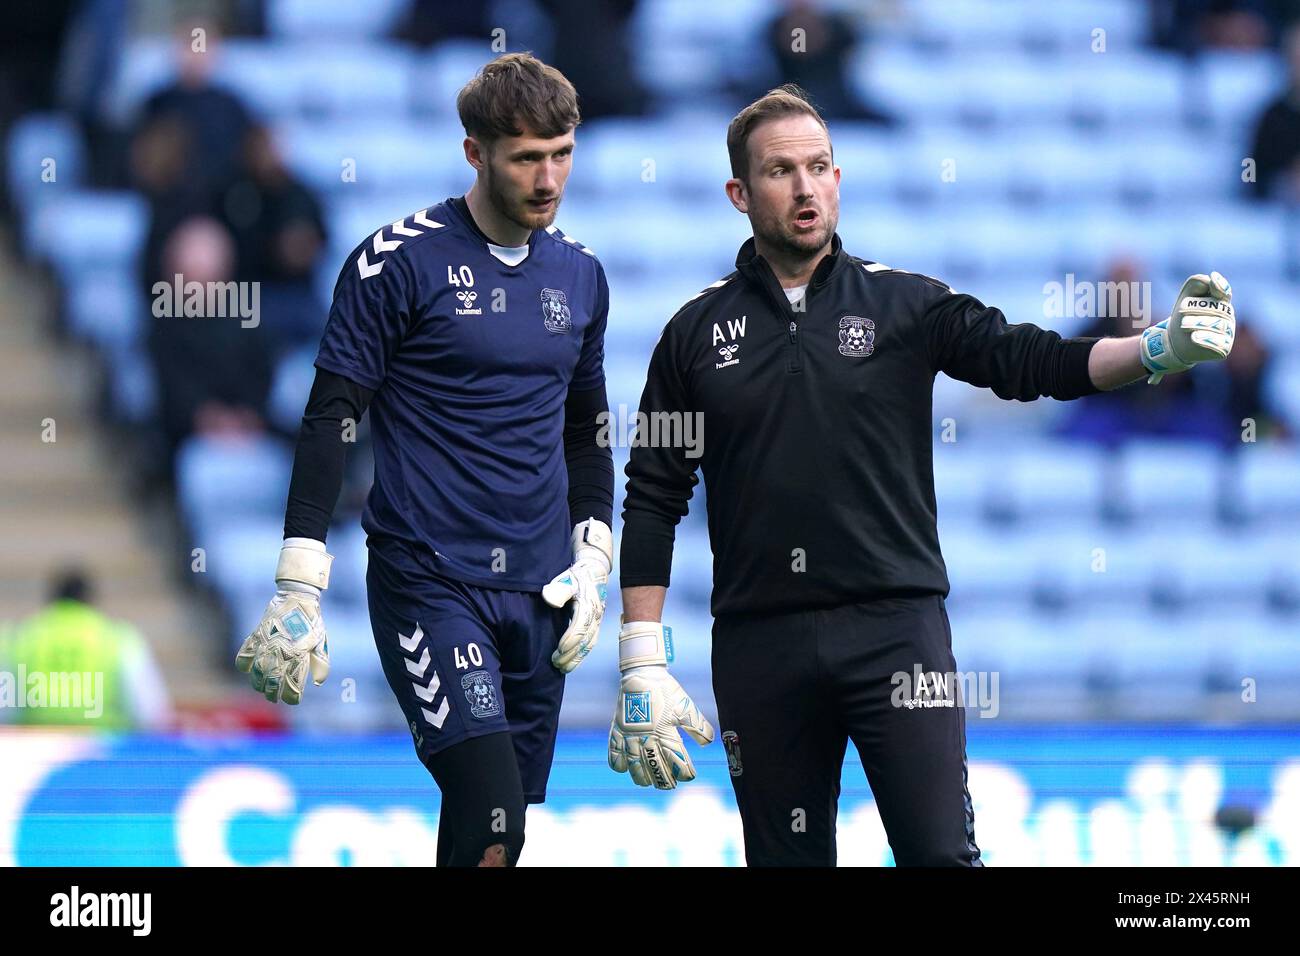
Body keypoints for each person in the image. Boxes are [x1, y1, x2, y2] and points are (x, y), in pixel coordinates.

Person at [610, 85, 1236, 867]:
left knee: (940, 859)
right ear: (740, 193)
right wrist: (640, 652)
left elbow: (1029, 359)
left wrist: (1156, 350)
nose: (804, 187)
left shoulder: (906, 304)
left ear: (838, 179)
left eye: (819, 167)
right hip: (758, 643)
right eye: (779, 172)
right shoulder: (694, 334)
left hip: (895, 634)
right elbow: (654, 493)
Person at [234, 53, 614, 868]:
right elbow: (334, 412)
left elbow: (587, 428)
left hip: (540, 588)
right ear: (475, 153)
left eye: (562, 154)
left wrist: (595, 552)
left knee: (494, 835)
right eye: (525, 157)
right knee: (492, 808)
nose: (548, 178)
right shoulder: (397, 261)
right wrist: (300, 574)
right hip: (430, 578)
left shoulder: (581, 275)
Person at [0, 568, 172, 730]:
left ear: (51, 599)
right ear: (91, 599)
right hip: (102, 745)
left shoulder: (21, 637)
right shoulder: (117, 637)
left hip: (39, 744)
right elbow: (148, 711)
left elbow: (5, 708)